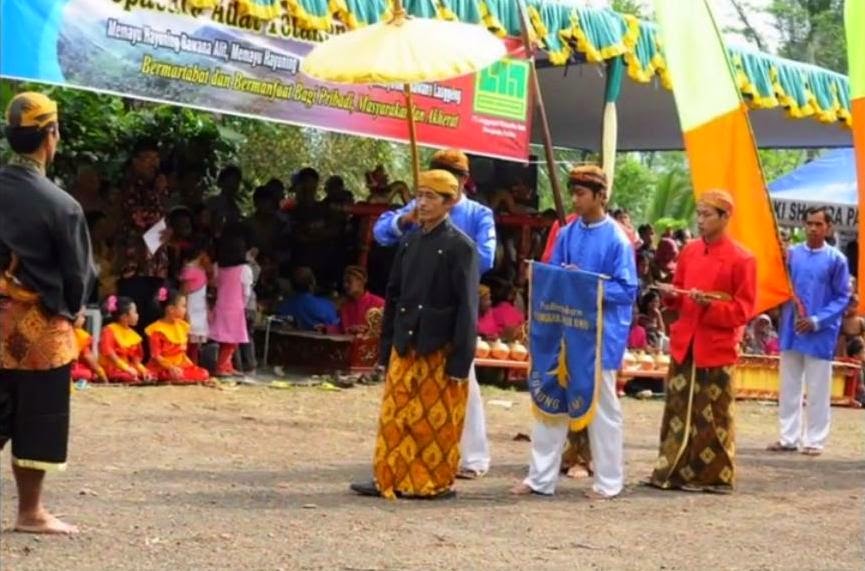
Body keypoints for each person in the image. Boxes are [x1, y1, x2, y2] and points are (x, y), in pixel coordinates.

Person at [350, 169, 478, 499]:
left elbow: (467, 307)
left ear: (449, 203)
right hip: (405, 341)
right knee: (395, 414)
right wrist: (386, 345)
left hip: (438, 345)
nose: (422, 203)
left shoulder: (460, 247)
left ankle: (430, 482)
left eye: (431, 197)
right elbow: (394, 296)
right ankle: (386, 477)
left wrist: (461, 361)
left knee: (430, 421)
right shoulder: (409, 241)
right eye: (419, 195)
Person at [0, 92, 96, 534]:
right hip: (40, 333)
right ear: (49, 136)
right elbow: (78, 275)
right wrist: (73, 309)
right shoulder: (62, 205)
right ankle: (30, 513)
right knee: (37, 419)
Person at [512, 165, 638, 500]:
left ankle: (609, 482)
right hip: (565, 333)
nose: (575, 200)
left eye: (581, 193)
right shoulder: (567, 232)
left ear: (600, 196)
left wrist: (584, 285)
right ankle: (540, 478)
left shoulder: (617, 240)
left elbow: (626, 291)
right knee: (551, 400)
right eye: (573, 193)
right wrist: (544, 275)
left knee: (604, 408)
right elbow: (555, 273)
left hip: (598, 337)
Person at [373, 148, 496, 480]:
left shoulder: (478, 215)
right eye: (435, 173)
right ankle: (406, 456)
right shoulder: (419, 206)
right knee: (407, 392)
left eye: (451, 176)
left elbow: (485, 258)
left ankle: (471, 457)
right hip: (414, 311)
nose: (426, 199)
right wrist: (408, 220)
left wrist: (448, 241)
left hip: (451, 311)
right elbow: (381, 233)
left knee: (459, 384)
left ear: (462, 184)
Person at [648, 190, 756, 493]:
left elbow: (743, 309)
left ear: (725, 217)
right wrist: (671, 293)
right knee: (678, 409)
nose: (700, 220)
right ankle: (671, 470)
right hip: (686, 342)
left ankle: (714, 476)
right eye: (699, 213)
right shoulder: (690, 251)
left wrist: (710, 305)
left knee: (714, 412)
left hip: (716, 346)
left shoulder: (743, 258)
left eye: (707, 214)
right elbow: (679, 294)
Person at [769, 207, 850, 456]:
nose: (813, 228)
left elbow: (843, 297)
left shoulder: (837, 259)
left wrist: (817, 320)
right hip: (792, 329)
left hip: (819, 333)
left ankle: (814, 439)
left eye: (818, 224)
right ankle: (788, 437)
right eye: (809, 223)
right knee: (789, 385)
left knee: (817, 388)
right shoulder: (792, 255)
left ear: (828, 228)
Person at [209, 232, 254, 377]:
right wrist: (244, 305)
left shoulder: (217, 266)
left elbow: (215, 284)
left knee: (227, 338)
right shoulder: (245, 269)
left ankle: (227, 365)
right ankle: (222, 366)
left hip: (221, 304)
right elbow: (246, 291)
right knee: (232, 339)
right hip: (236, 306)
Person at [145, 288, 210, 383]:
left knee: (204, 373)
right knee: (175, 375)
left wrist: (191, 366)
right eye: (183, 306)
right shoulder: (157, 329)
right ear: (171, 309)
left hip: (180, 365)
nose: (185, 309)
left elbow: (181, 354)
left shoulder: (182, 326)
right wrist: (171, 367)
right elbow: (156, 356)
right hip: (162, 367)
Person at [99, 296, 151, 383]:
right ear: (124, 317)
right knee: (129, 376)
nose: (137, 315)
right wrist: (126, 368)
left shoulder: (134, 335)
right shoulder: (109, 330)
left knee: (146, 374)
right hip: (111, 366)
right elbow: (110, 355)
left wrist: (144, 371)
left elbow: (136, 361)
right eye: (135, 312)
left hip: (126, 367)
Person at [276, 267, 339, 331]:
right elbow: (335, 329)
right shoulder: (327, 306)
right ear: (312, 284)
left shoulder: (282, 307)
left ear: (291, 286)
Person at [179, 240, 211, 364]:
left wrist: (207, 309)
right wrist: (185, 310)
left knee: (196, 341)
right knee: (188, 337)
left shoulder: (202, 269)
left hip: (200, 307)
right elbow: (184, 292)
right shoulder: (189, 269)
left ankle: (194, 363)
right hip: (191, 307)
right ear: (201, 254)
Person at [334, 265, 384, 335]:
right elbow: (340, 328)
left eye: (349, 281)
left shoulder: (379, 304)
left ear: (361, 281)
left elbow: (386, 331)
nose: (345, 285)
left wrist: (367, 331)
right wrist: (325, 329)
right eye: (344, 282)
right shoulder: (343, 305)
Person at [71, 314, 106, 383]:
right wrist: (103, 376)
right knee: (87, 373)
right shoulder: (81, 335)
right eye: (82, 316)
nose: (84, 319)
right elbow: (88, 358)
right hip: (70, 369)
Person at [206, 165, 244, 230]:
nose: (233, 185)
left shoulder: (235, 208)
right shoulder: (212, 202)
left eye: (236, 182)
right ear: (222, 182)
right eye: (230, 181)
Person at [836, 293, 864, 357]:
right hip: (844, 347)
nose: (851, 309)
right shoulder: (842, 321)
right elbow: (839, 335)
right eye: (849, 306)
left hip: (858, 347)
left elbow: (863, 334)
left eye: (855, 306)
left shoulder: (860, 321)